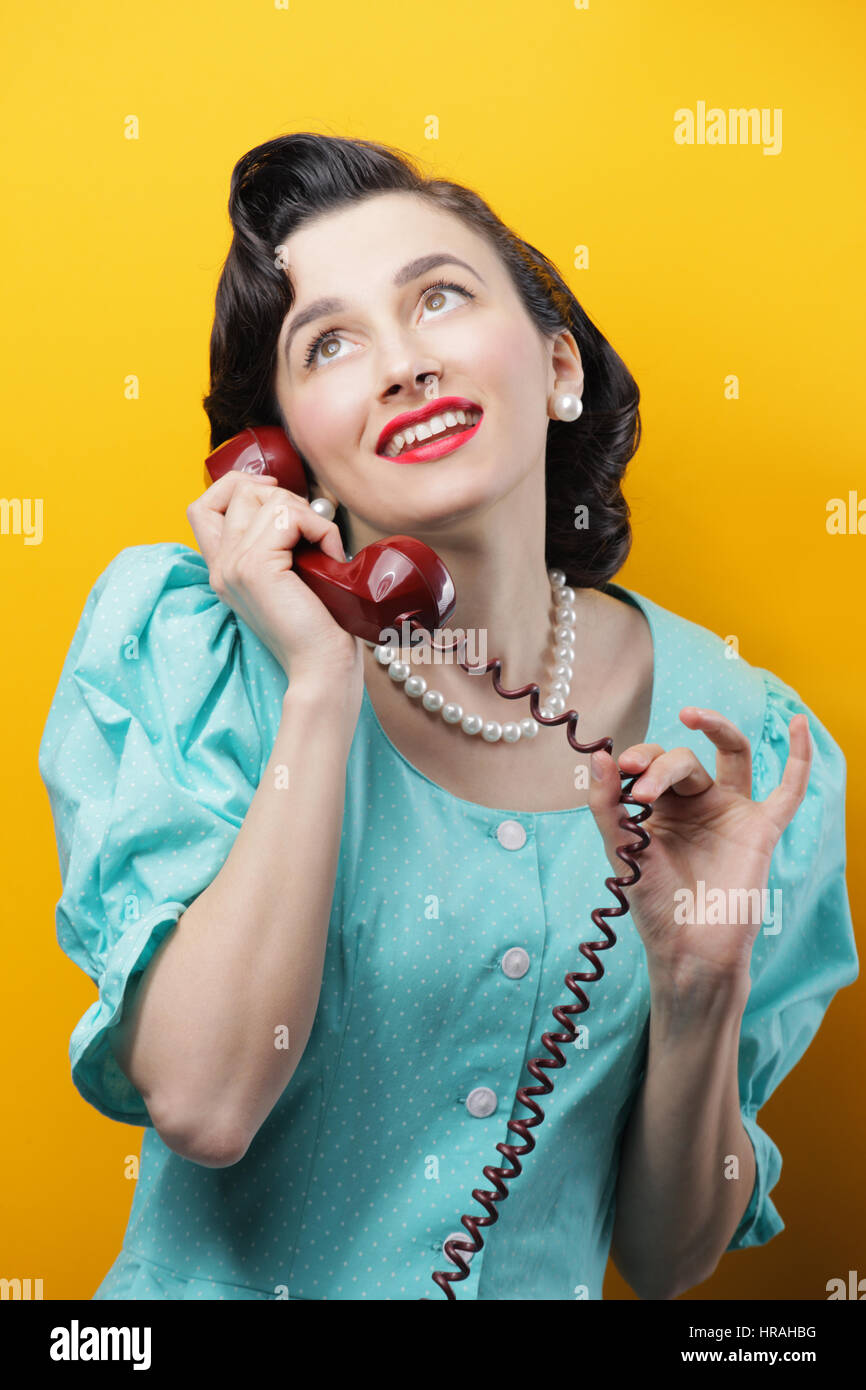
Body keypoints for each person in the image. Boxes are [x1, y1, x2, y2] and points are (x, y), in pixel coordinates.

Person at [38, 132, 857, 1301]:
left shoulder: (749, 744)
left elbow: (669, 1260)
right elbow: (206, 1104)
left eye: (439, 298)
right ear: (281, 461)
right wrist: (320, 684)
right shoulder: (193, 652)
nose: (402, 366)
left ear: (558, 366)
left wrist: (698, 987)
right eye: (328, 342)